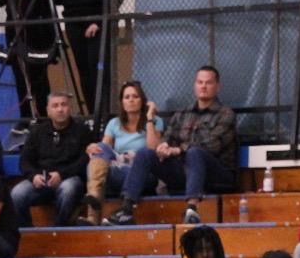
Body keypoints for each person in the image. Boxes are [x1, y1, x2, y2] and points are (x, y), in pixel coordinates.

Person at [112, 66, 238, 227]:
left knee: (195, 153)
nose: (203, 86)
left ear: (217, 86)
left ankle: (192, 209)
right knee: (145, 153)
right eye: (200, 82)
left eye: (208, 83)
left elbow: (212, 144)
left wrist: (179, 149)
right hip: (185, 173)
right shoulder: (182, 114)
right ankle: (126, 209)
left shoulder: (226, 114)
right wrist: (164, 146)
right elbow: (168, 137)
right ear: (195, 85)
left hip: (217, 176)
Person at [13, 92, 96, 228]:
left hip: (69, 179)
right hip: (41, 181)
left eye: (64, 105)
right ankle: (27, 234)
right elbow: (25, 161)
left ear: (70, 108)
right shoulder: (37, 132)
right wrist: (34, 176)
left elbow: (85, 160)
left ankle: (59, 230)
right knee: (17, 194)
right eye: (55, 106)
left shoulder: (82, 131)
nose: (60, 109)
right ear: (48, 111)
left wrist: (62, 175)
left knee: (69, 188)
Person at [88, 81, 162, 222]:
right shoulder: (114, 123)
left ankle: (93, 214)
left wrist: (149, 118)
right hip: (119, 168)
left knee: (103, 167)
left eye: (135, 96)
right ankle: (93, 199)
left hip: (143, 172)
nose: (131, 100)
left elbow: (153, 150)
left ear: (143, 100)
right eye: (127, 97)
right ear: (122, 102)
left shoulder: (155, 121)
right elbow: (104, 150)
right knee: (100, 149)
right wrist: (92, 148)